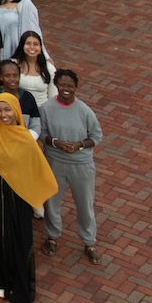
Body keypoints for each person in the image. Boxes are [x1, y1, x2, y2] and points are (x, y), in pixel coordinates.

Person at [0, 91, 59, 303]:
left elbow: (36, 170)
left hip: (18, 200)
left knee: (16, 238)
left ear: (16, 110)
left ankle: (15, 281)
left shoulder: (25, 139)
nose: (3, 114)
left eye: (7, 110)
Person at [40, 68, 104, 265]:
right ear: (56, 85)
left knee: (85, 203)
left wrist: (79, 145)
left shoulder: (84, 111)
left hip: (81, 164)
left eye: (70, 86)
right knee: (51, 201)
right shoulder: (46, 108)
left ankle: (89, 242)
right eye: (62, 85)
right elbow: (41, 133)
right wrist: (55, 142)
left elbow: (96, 136)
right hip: (55, 161)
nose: (66, 89)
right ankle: (52, 237)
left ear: (76, 87)